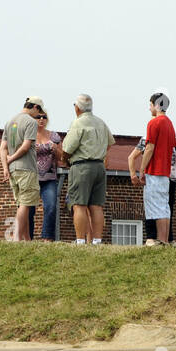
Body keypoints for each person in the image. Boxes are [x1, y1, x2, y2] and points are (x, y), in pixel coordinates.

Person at [62, 93, 114, 245]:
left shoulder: (78, 123)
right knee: (96, 205)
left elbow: (67, 147)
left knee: (79, 204)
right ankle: (97, 240)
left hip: (82, 166)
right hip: (99, 166)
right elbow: (110, 142)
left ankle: (80, 240)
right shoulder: (101, 122)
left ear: (77, 108)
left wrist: (64, 159)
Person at [130, 92, 176, 246]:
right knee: (164, 207)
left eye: (151, 104)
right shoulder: (170, 123)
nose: (149, 108)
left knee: (154, 206)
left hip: (154, 170)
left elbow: (149, 147)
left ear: (156, 105)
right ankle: (164, 240)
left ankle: (157, 240)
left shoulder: (154, 123)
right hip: (165, 172)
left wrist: (142, 169)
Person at [0, 96, 44, 242]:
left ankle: (26, 238)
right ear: (35, 107)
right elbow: (26, 146)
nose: (39, 116)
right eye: (39, 112)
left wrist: (6, 167)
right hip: (26, 168)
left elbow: (3, 147)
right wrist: (12, 158)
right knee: (25, 205)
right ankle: (18, 238)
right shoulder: (31, 122)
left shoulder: (10, 121)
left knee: (22, 204)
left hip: (13, 170)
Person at [30, 111, 63, 241]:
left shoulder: (53, 135)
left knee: (51, 206)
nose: (42, 119)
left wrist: (56, 150)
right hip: (32, 178)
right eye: (38, 117)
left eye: (44, 117)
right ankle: (28, 237)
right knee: (29, 209)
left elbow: (62, 158)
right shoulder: (29, 135)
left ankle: (47, 238)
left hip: (49, 178)